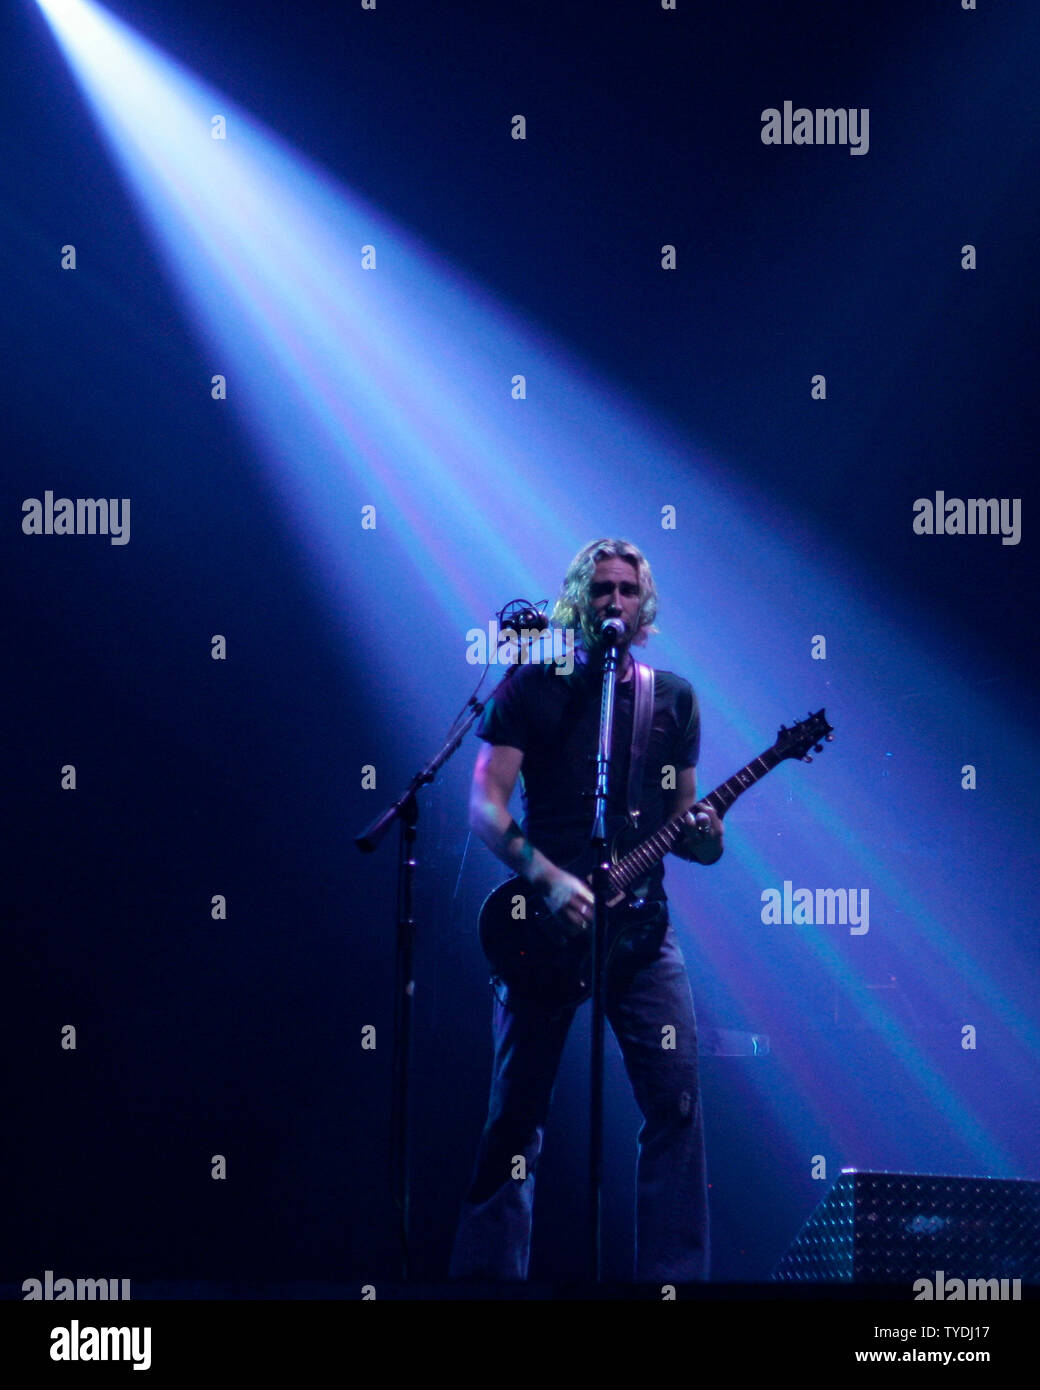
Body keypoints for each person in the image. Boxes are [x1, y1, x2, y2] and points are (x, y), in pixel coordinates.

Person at [449, 538, 724, 1283]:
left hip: (641, 932)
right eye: (600, 588)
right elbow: (484, 802)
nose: (613, 601)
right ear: (579, 597)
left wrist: (708, 837)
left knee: (677, 1106)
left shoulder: (674, 698)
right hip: (544, 928)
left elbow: (691, 828)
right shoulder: (535, 684)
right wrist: (544, 878)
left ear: (644, 606)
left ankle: (673, 1282)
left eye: (626, 590)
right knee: (515, 1117)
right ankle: (485, 1284)